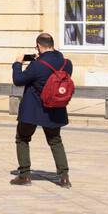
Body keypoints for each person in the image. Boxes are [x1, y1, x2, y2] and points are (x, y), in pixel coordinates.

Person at [10, 33, 71, 188]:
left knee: (22, 138)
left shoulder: (37, 65)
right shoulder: (66, 63)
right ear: (52, 44)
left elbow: (18, 80)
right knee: (55, 140)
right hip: (55, 109)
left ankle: (24, 175)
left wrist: (17, 63)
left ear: (38, 46)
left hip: (34, 109)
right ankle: (64, 177)